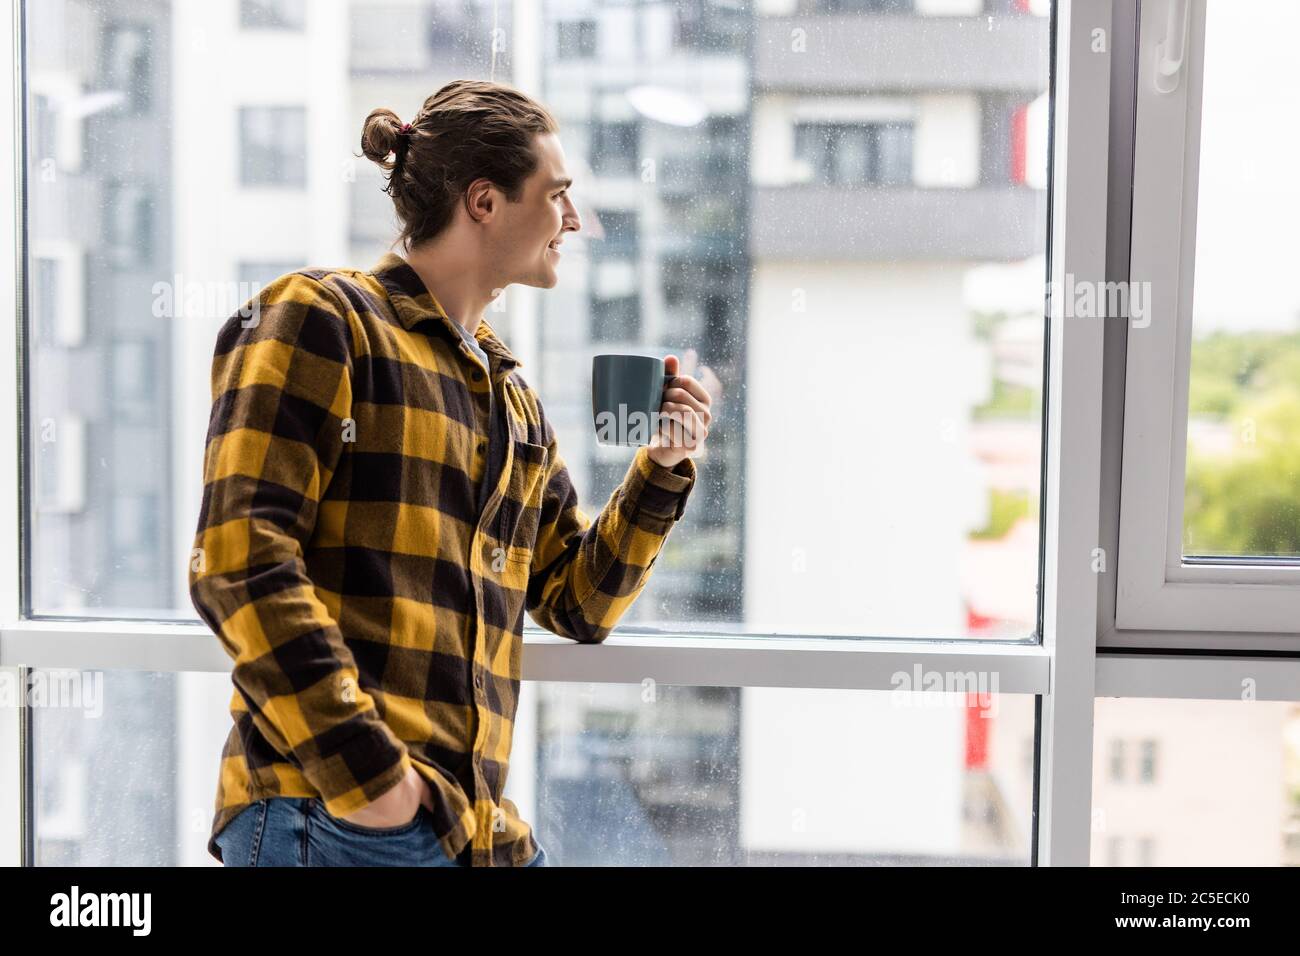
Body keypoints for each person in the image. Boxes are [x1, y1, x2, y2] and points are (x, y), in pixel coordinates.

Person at [189, 79, 713, 867]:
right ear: (484, 201)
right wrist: (375, 785)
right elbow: (237, 559)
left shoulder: (513, 401)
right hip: (336, 815)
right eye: (557, 194)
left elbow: (577, 602)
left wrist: (663, 467)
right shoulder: (322, 318)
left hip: (467, 829)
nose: (574, 219)